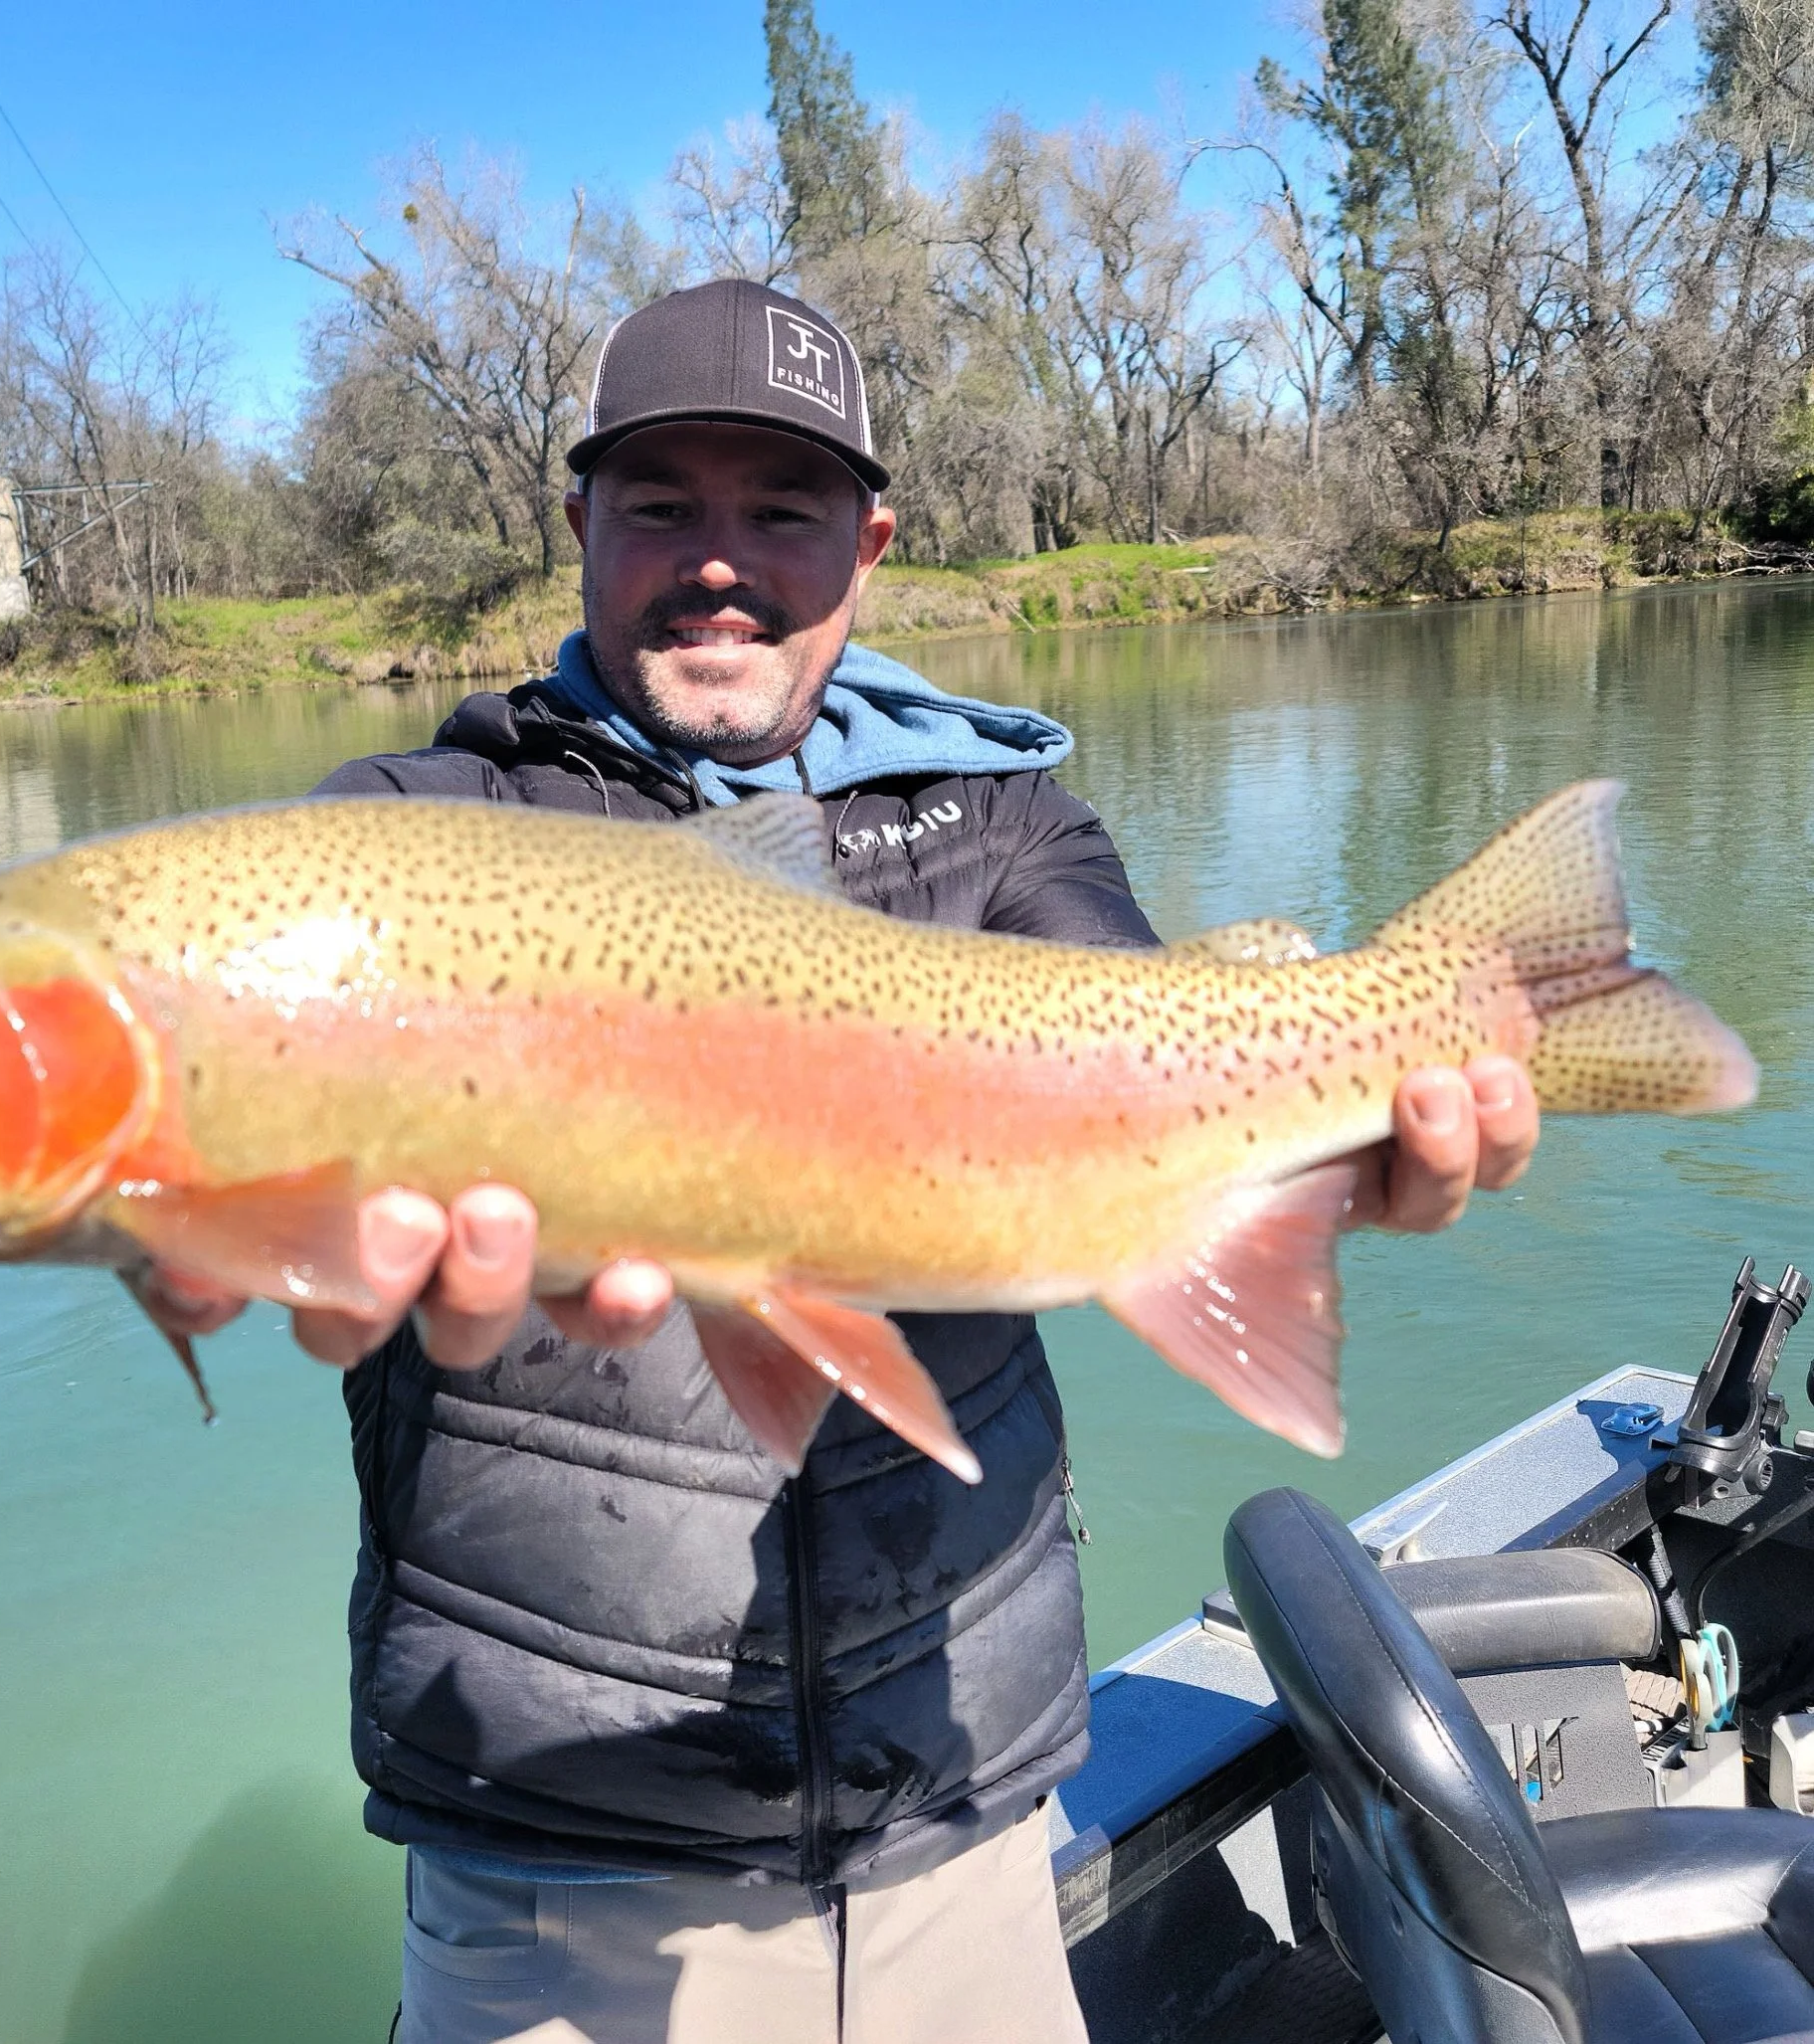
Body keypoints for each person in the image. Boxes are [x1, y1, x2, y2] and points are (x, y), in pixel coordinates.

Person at [299, 279, 1540, 2043]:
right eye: (661, 503)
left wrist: (1324, 1153)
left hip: (960, 1832)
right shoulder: (423, 831)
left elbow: (1139, 1046)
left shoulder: (1001, 818)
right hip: (558, 1881)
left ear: (867, 544)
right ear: (575, 524)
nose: (717, 558)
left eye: (780, 508)